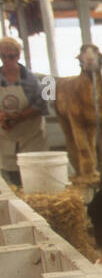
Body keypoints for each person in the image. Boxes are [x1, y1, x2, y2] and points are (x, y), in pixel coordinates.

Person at [0, 36, 49, 186]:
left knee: (32, 172)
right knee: (10, 170)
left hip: (30, 133)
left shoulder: (31, 80)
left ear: (18, 56)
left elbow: (41, 104)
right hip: (6, 134)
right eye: (2, 57)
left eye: (11, 57)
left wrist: (19, 116)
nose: (7, 61)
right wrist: (2, 117)